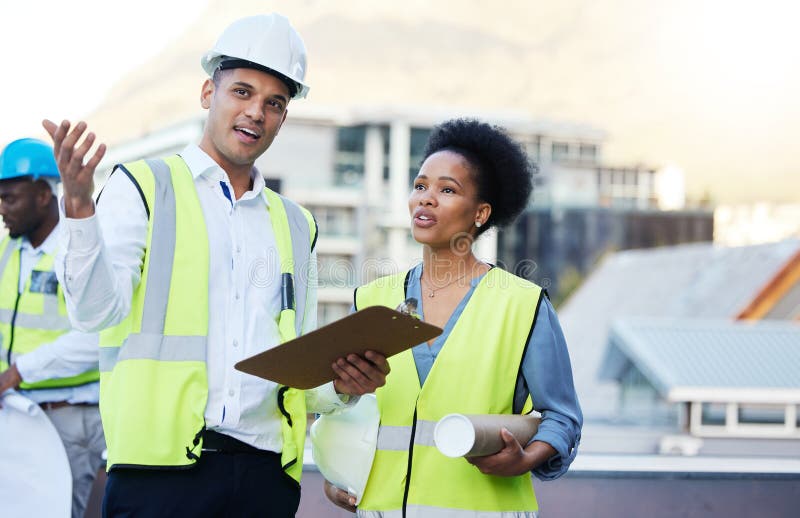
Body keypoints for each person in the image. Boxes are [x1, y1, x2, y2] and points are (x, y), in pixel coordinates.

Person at [43, 13, 388, 518]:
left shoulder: (296, 224)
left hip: (266, 476)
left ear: (284, 118)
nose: (256, 113)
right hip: (156, 476)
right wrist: (78, 207)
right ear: (208, 92)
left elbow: (297, 369)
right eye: (242, 92)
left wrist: (341, 385)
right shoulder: (142, 187)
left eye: (274, 103)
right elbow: (93, 314)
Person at [324, 119, 583, 517]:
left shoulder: (523, 304)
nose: (426, 199)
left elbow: (562, 417)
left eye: (447, 190)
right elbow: (350, 412)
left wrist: (526, 459)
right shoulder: (372, 299)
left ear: (480, 213)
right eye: (420, 185)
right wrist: (338, 470)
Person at [0, 137, 106, 518]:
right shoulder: (10, 250)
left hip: (70, 416)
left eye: (10, 198)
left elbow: (95, 337)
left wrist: (16, 373)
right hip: (21, 414)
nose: (1, 209)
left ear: (43, 196)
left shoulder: (76, 253)